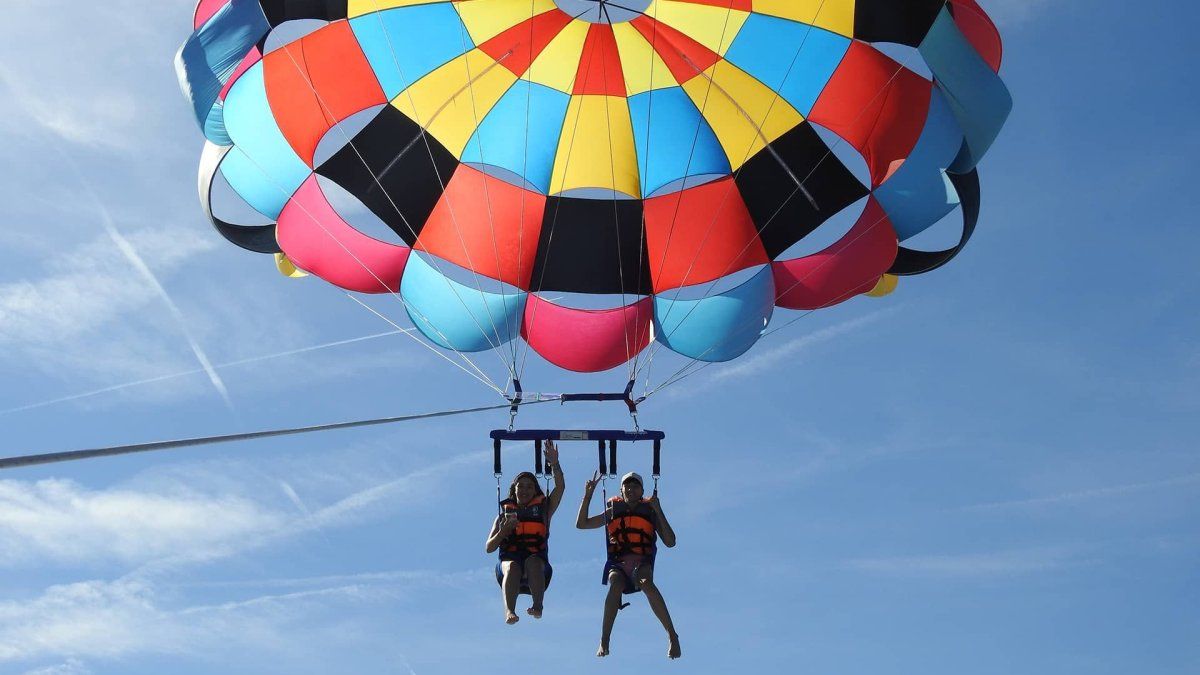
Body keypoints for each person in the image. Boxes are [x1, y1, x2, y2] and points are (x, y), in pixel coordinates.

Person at [577, 470, 680, 659]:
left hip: (642, 563)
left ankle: (672, 635)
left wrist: (658, 510)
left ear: (642, 491)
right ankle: (605, 640)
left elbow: (670, 541)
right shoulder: (613, 511)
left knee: (646, 583)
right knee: (615, 585)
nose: (631, 489)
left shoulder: (649, 511)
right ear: (621, 490)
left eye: (635, 486)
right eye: (628, 486)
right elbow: (582, 524)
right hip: (619, 563)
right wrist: (588, 495)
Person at [485, 441, 564, 624]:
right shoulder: (502, 516)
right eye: (521, 486)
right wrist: (503, 531)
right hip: (508, 564)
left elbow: (560, 488)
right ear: (514, 490)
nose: (525, 490)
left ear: (535, 491)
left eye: (529, 487)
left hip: (537, 564)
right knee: (513, 566)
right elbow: (489, 548)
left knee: (533, 562)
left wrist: (554, 464)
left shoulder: (544, 511)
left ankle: (538, 605)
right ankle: (509, 611)